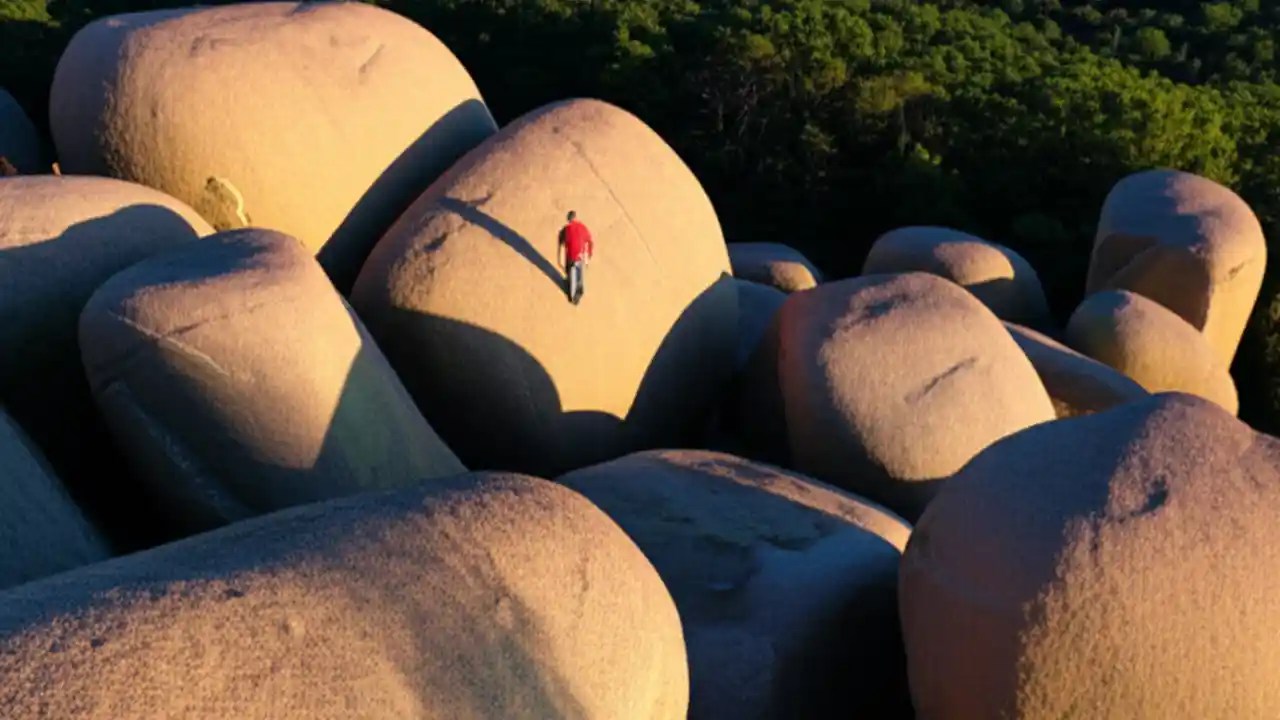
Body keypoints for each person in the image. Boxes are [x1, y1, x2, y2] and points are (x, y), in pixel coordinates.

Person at [557, 210, 593, 305]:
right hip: (580, 256)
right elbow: (589, 241)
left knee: (571, 274)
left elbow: (560, 243)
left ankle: (573, 297)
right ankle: (580, 289)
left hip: (571, 257)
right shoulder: (583, 227)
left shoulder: (566, 230)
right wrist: (588, 256)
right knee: (579, 273)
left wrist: (559, 259)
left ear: (568, 220)